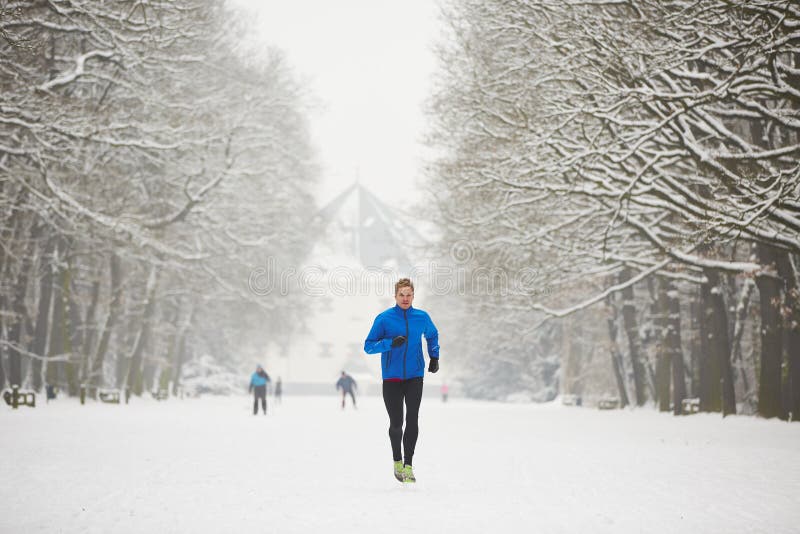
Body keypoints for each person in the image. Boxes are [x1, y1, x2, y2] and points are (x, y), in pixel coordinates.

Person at [364, 278, 439, 484]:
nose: (405, 298)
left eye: (409, 295)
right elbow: (368, 346)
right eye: (401, 295)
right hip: (392, 377)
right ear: (395, 296)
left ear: (413, 296)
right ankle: (397, 461)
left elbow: (432, 335)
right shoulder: (384, 319)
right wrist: (390, 343)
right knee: (397, 423)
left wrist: (434, 357)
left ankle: (408, 465)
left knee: (413, 419)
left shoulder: (421, 317)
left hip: (415, 375)